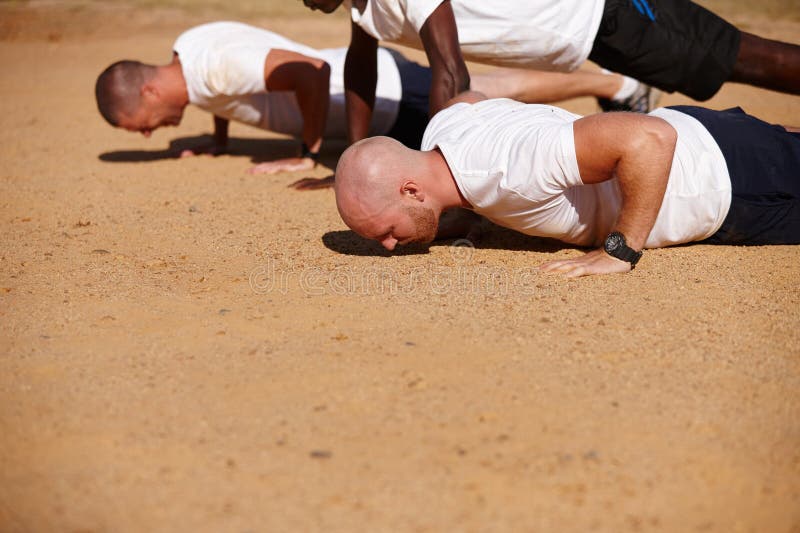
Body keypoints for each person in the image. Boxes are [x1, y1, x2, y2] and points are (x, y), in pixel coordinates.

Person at [94, 21, 654, 184]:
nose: (147, 133)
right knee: (485, 93)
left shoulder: (211, 66)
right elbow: (219, 94)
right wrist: (219, 140)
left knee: (484, 99)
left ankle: (610, 85)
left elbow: (312, 72)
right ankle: (606, 85)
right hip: (379, 94)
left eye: (138, 125)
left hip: (381, 95)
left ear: (148, 91)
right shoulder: (189, 55)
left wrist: (308, 152)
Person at [333, 92, 800, 277]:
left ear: (411, 190)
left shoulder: (511, 171)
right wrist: (462, 210)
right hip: (710, 132)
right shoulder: (442, 129)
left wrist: (619, 250)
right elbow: (471, 98)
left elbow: (649, 140)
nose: (388, 246)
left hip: (729, 184)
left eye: (387, 230)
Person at [301, 0, 800, 145]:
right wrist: (355, 154)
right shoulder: (362, 7)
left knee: (743, 59)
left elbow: (450, 73)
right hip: (594, 36)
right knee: (726, 64)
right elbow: (361, 67)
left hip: (609, 14)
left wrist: (439, 168)